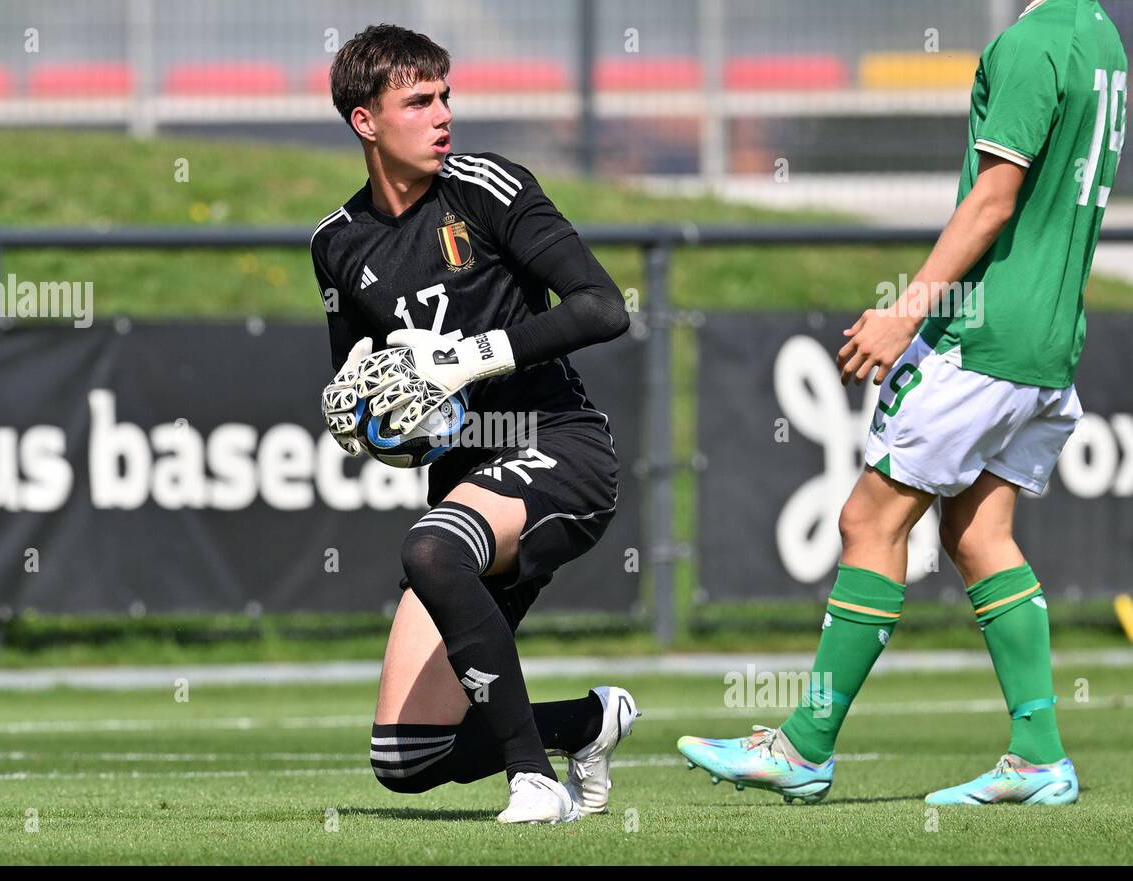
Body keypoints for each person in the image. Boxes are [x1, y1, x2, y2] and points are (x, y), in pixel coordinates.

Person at [679, 0, 1127, 805]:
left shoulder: (1029, 42)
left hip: (985, 339)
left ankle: (805, 744)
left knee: (868, 521)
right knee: (980, 534)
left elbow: (994, 199)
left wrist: (906, 310)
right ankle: (1039, 756)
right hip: (1050, 340)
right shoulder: (1098, 33)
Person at [314, 24, 640, 824]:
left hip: (559, 445)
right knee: (406, 758)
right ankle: (588, 723)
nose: (442, 114)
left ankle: (535, 783)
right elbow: (362, 380)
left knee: (430, 545)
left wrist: (472, 357)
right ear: (365, 121)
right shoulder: (336, 243)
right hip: (464, 479)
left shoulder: (489, 188)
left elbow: (604, 308)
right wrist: (368, 420)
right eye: (418, 101)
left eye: (445, 95)